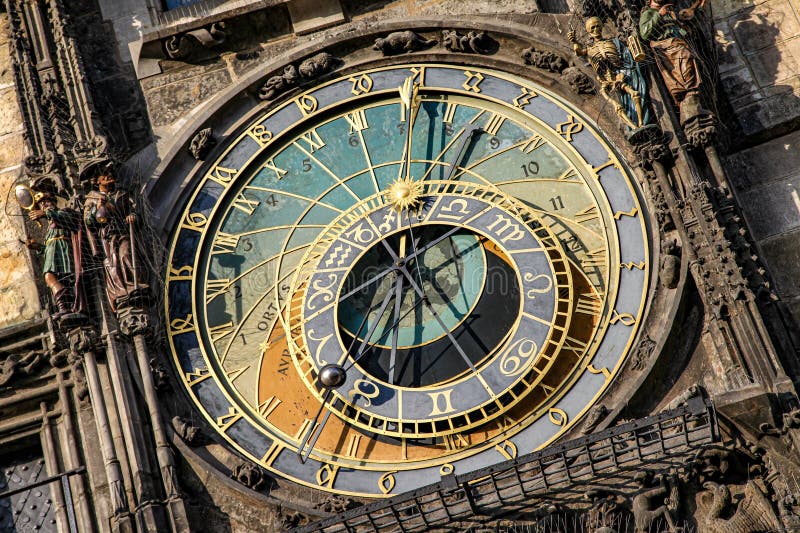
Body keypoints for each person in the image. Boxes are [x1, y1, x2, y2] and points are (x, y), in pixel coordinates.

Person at [83, 165, 146, 310]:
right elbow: (88, 221)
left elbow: (134, 212)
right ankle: (119, 291)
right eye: (104, 174)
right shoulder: (92, 199)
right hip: (106, 237)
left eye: (110, 173)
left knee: (126, 254)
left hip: (123, 231)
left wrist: (133, 216)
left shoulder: (122, 195)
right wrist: (95, 209)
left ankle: (133, 284)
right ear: (96, 181)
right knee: (112, 262)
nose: (108, 176)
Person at [569, 17, 650, 130]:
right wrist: (575, 42)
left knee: (635, 93)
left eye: (598, 26)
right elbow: (579, 52)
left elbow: (625, 55)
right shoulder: (589, 49)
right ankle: (633, 127)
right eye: (593, 28)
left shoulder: (613, 42)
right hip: (606, 80)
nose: (596, 29)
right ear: (589, 31)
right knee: (617, 104)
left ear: (602, 27)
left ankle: (641, 124)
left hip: (620, 74)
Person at [639, 0, 703, 109]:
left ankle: (693, 99)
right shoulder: (648, 13)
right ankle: (687, 101)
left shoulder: (670, 12)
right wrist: (659, 14)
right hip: (669, 51)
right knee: (684, 76)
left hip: (680, 45)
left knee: (689, 70)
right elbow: (644, 33)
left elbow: (680, 30)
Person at [26, 190, 80, 317]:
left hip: (63, 251)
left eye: (47, 201)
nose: (44, 204)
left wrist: (46, 213)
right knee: (56, 279)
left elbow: (68, 219)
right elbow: (48, 248)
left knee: (50, 277)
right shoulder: (49, 228)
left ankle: (65, 305)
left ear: (54, 202)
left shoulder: (63, 212)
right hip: (53, 254)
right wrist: (38, 247)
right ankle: (66, 306)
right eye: (41, 204)